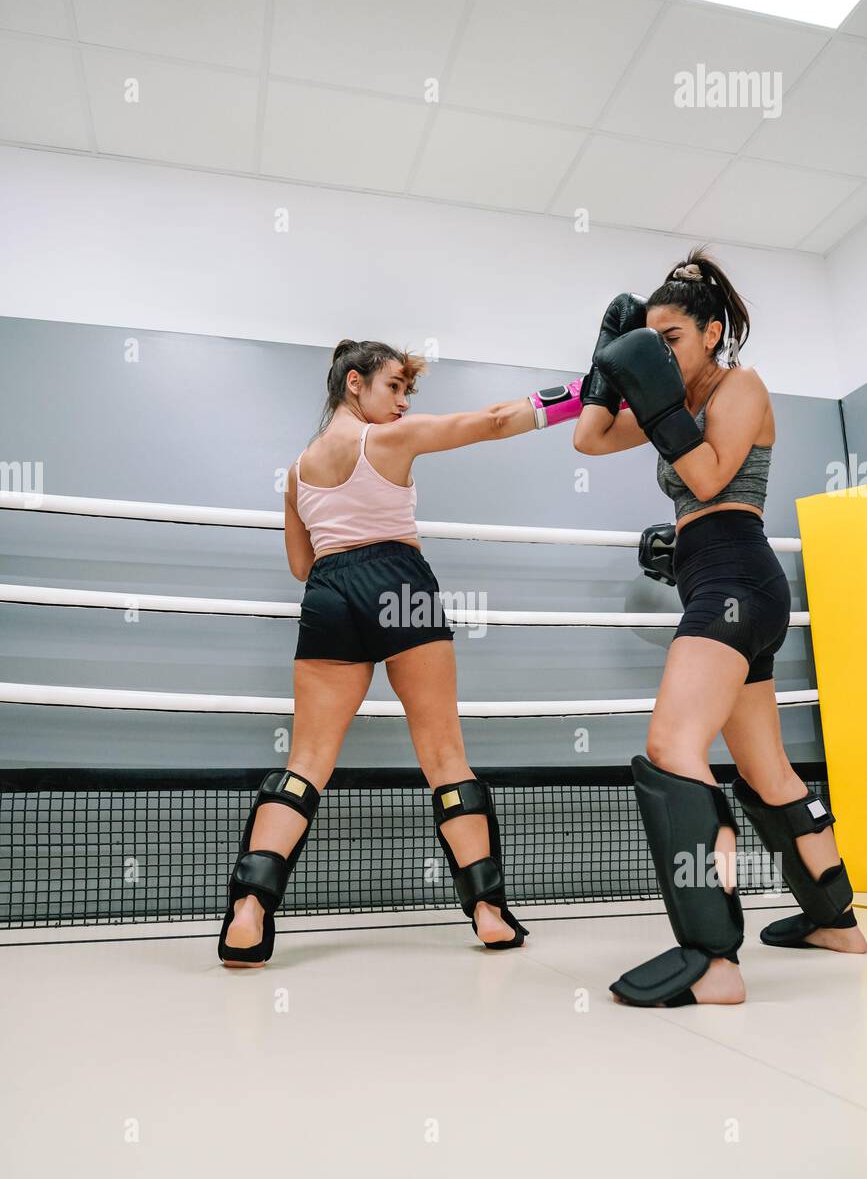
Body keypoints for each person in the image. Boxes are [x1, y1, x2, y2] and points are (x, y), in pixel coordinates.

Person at [217, 336, 602, 966]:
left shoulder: (296, 471)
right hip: (400, 580)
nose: (401, 401)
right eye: (393, 386)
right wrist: (586, 392)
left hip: (328, 592)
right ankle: (488, 910)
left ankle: (249, 910)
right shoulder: (386, 442)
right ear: (354, 384)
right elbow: (494, 420)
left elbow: (298, 564)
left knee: (308, 758)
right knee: (445, 753)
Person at [574, 248, 866, 1007]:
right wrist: (606, 370)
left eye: (667, 337)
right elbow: (588, 439)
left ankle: (711, 957)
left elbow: (707, 478)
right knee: (767, 773)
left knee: (671, 750)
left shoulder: (740, 386)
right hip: (717, 581)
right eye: (647, 339)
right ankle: (835, 920)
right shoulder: (665, 398)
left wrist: (658, 401)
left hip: (736, 580)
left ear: (709, 332)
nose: (657, 351)